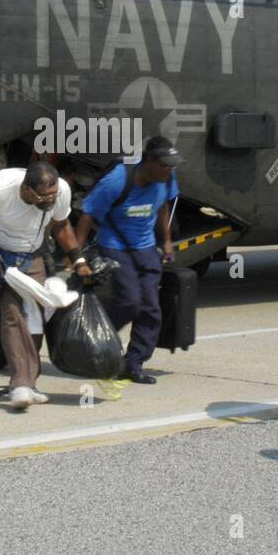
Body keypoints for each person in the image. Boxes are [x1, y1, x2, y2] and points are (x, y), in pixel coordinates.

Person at [0, 162, 92, 409]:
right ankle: (19, 384)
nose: (49, 201)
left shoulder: (61, 191)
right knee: (13, 315)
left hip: (33, 255)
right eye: (43, 197)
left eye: (52, 196)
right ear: (26, 189)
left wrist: (78, 259)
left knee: (35, 319)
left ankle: (30, 383)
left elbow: (61, 225)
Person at [74, 137, 181, 384]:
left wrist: (165, 240)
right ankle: (96, 342)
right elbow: (87, 215)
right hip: (115, 246)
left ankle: (133, 363)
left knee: (151, 310)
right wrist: (77, 257)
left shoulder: (165, 178)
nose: (170, 170)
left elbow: (163, 206)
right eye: (165, 164)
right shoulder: (117, 181)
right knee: (130, 302)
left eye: (173, 165)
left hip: (145, 247)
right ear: (150, 161)